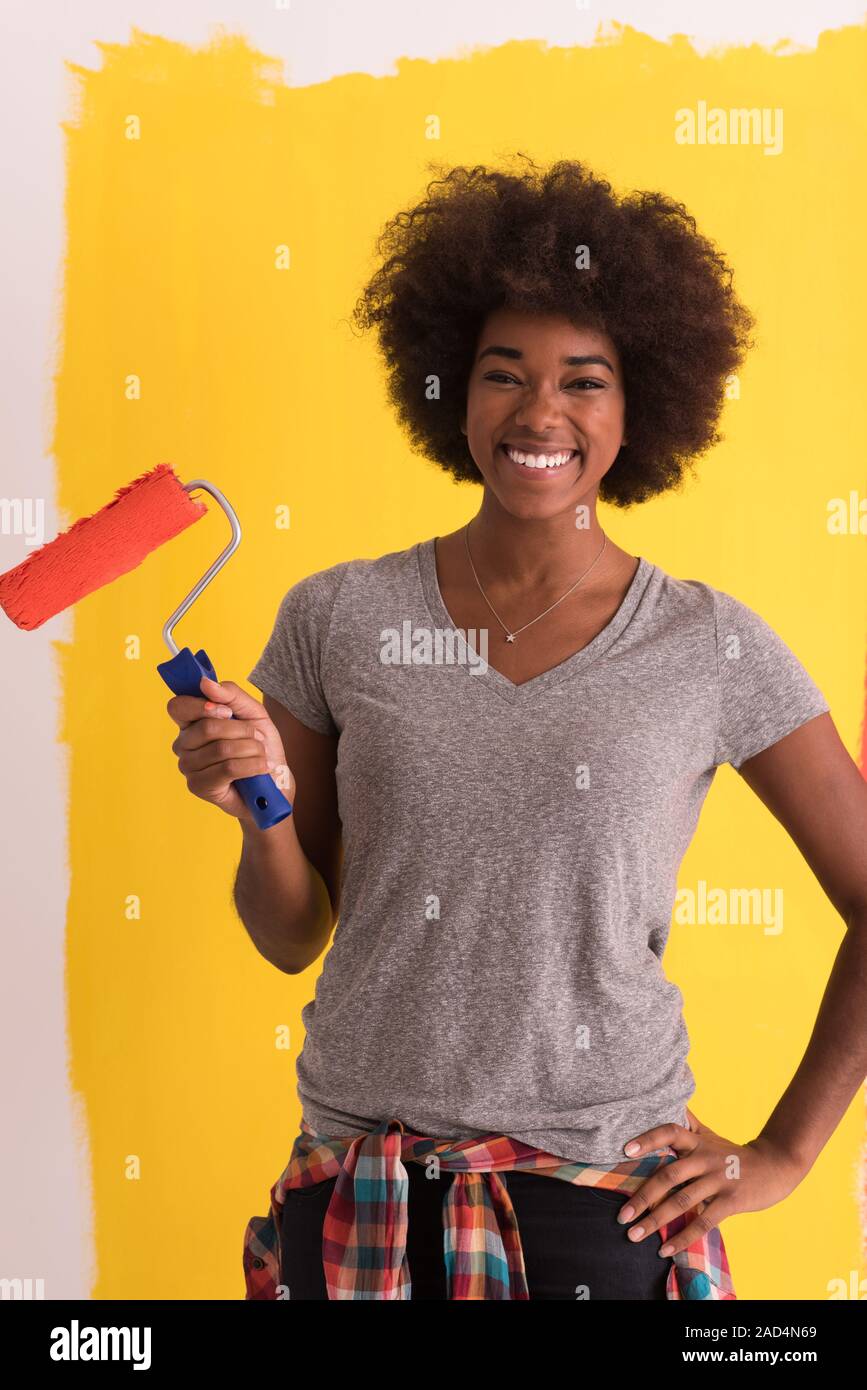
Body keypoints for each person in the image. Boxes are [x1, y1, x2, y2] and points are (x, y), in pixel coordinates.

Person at [167, 158, 867, 1300]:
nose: (540, 413)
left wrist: (781, 1154)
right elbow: (291, 932)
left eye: (584, 381)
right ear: (452, 389)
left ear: (640, 407)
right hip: (360, 1194)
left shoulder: (710, 644)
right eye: (504, 374)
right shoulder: (338, 616)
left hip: (604, 1202)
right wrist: (256, 813)